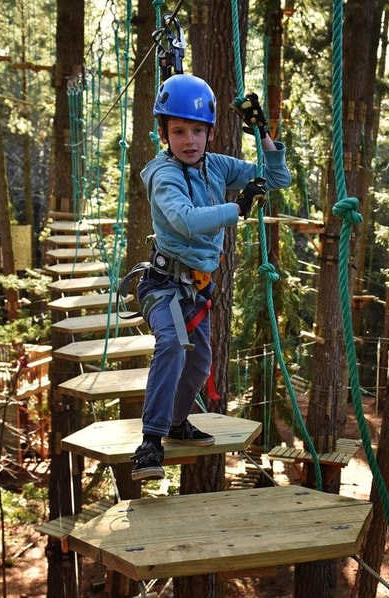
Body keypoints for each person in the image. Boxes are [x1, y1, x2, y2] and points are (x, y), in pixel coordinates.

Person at [130, 73, 292, 481]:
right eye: (179, 131)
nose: (189, 140)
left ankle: (176, 422)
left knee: (200, 363)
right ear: (164, 133)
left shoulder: (216, 166)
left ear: (210, 133)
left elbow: (276, 179)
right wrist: (237, 209)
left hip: (196, 288)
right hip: (163, 284)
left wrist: (262, 131)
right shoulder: (160, 174)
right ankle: (150, 442)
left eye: (197, 131)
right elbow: (185, 222)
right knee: (172, 344)